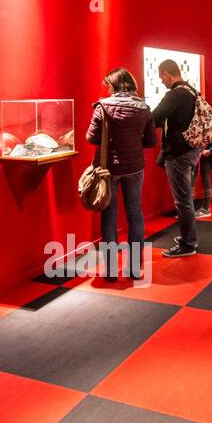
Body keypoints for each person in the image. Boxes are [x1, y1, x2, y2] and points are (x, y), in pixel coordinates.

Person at [86, 67, 156, 278]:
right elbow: (151, 141)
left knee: (109, 215)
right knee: (135, 213)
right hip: (135, 167)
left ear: (112, 85)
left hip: (109, 169)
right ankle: (135, 268)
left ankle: (109, 270)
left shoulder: (102, 107)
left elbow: (91, 137)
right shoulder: (144, 108)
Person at [150, 59, 200, 257]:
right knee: (185, 197)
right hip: (190, 149)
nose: (161, 81)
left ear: (166, 73)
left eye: (161, 77)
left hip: (178, 153)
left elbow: (155, 117)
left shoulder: (175, 94)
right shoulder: (190, 91)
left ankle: (188, 244)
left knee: (182, 200)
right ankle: (188, 237)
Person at [192, 132, 212, 218]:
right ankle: (189, 210)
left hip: (204, 154)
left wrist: (210, 150)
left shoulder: (206, 122)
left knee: (205, 178)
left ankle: (205, 209)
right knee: (192, 179)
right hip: (194, 153)